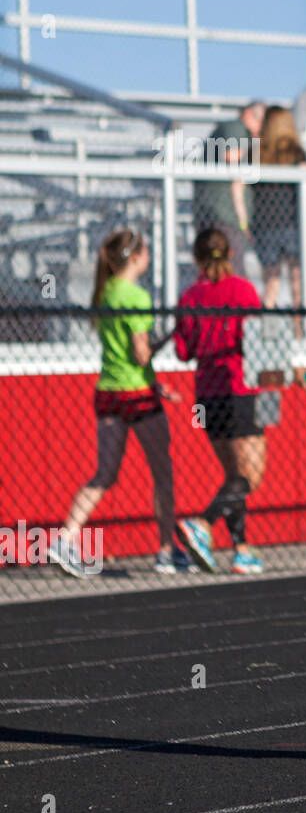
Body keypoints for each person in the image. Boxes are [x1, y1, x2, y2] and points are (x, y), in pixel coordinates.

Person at [47, 230, 190, 578]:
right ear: (137, 256)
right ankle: (166, 551)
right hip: (136, 394)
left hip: (109, 392)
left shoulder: (106, 291)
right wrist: (169, 337)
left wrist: (157, 383)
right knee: (162, 472)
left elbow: (123, 354)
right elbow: (140, 354)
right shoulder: (136, 296)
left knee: (105, 473)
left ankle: (66, 537)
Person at [174, 228, 277, 575]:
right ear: (230, 253)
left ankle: (243, 549)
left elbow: (183, 351)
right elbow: (259, 343)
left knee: (233, 476)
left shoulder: (189, 297)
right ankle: (202, 524)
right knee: (251, 477)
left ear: (196, 259)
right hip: (239, 389)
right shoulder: (244, 291)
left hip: (206, 394)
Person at [249, 106, 306, 340]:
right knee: (297, 284)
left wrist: (248, 224)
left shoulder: (257, 152)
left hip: (265, 226)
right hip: (292, 224)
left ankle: (269, 335)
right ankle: (299, 333)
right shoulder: (295, 153)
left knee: (271, 284)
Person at [191, 101, 266, 277]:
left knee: (217, 272)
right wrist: (256, 142)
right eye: (261, 120)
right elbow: (232, 158)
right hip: (224, 215)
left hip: (219, 214)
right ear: (249, 114)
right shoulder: (236, 128)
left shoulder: (236, 130)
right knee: (231, 272)